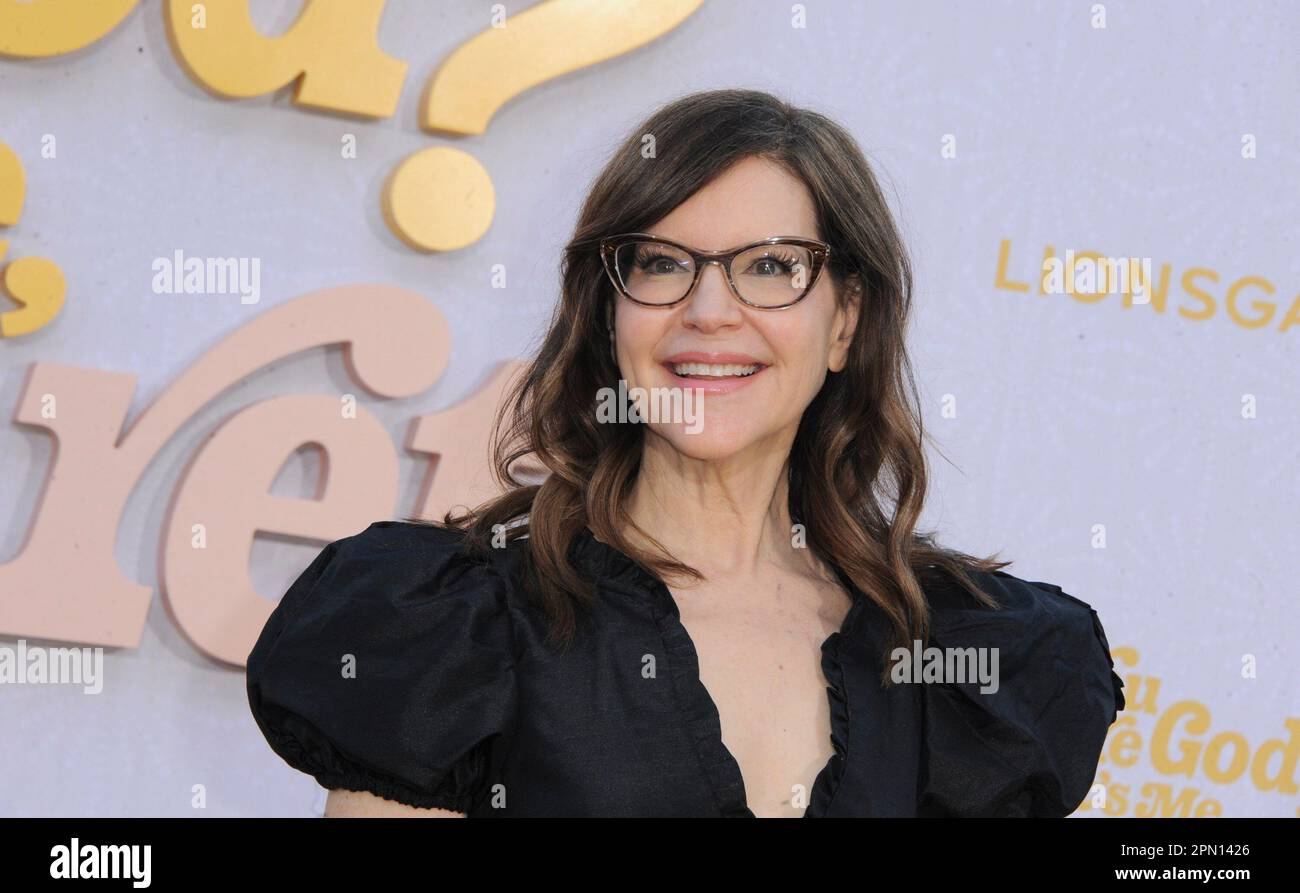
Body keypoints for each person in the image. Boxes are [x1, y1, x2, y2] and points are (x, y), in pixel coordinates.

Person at [246, 89, 1125, 817]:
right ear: (609, 311)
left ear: (845, 321)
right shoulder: (459, 625)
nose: (709, 312)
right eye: (663, 264)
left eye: (773, 267)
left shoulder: (970, 659)